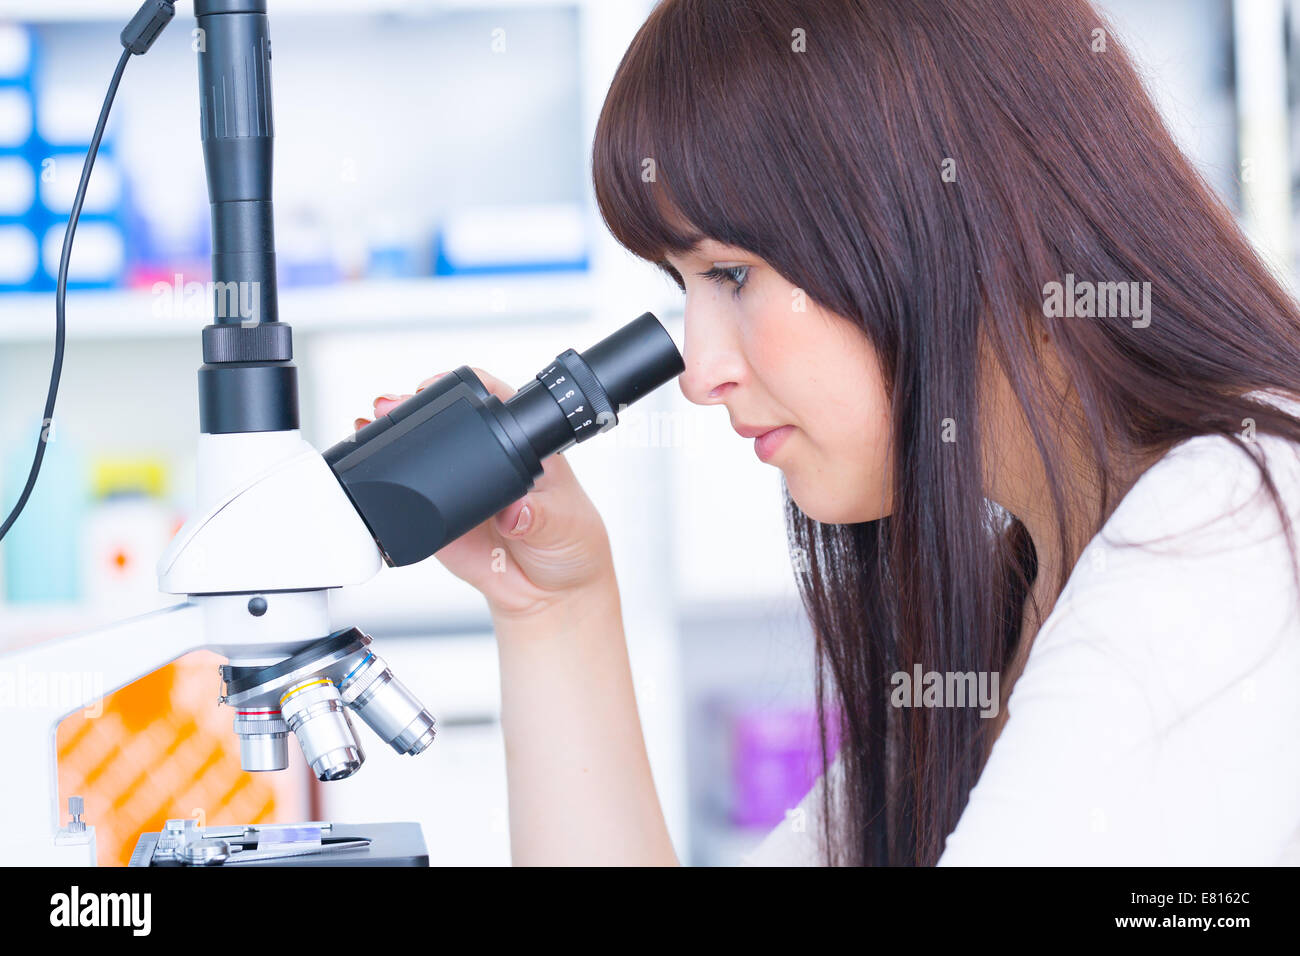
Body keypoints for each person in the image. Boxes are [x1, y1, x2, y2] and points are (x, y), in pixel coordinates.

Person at [358, 0, 1300, 865]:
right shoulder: (1020, 597)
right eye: (682, 288)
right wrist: (554, 610)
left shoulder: (1227, 520)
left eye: (730, 274)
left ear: (942, 209)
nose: (699, 373)